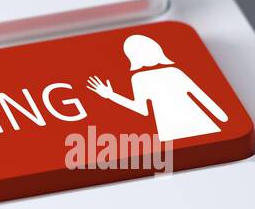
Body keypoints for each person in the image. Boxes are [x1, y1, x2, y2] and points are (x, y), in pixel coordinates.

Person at [86, 34, 228, 142]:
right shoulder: (173, 72)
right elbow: (201, 96)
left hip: (171, 129)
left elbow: (142, 110)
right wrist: (222, 117)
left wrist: (111, 95)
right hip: (194, 124)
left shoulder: (139, 78)